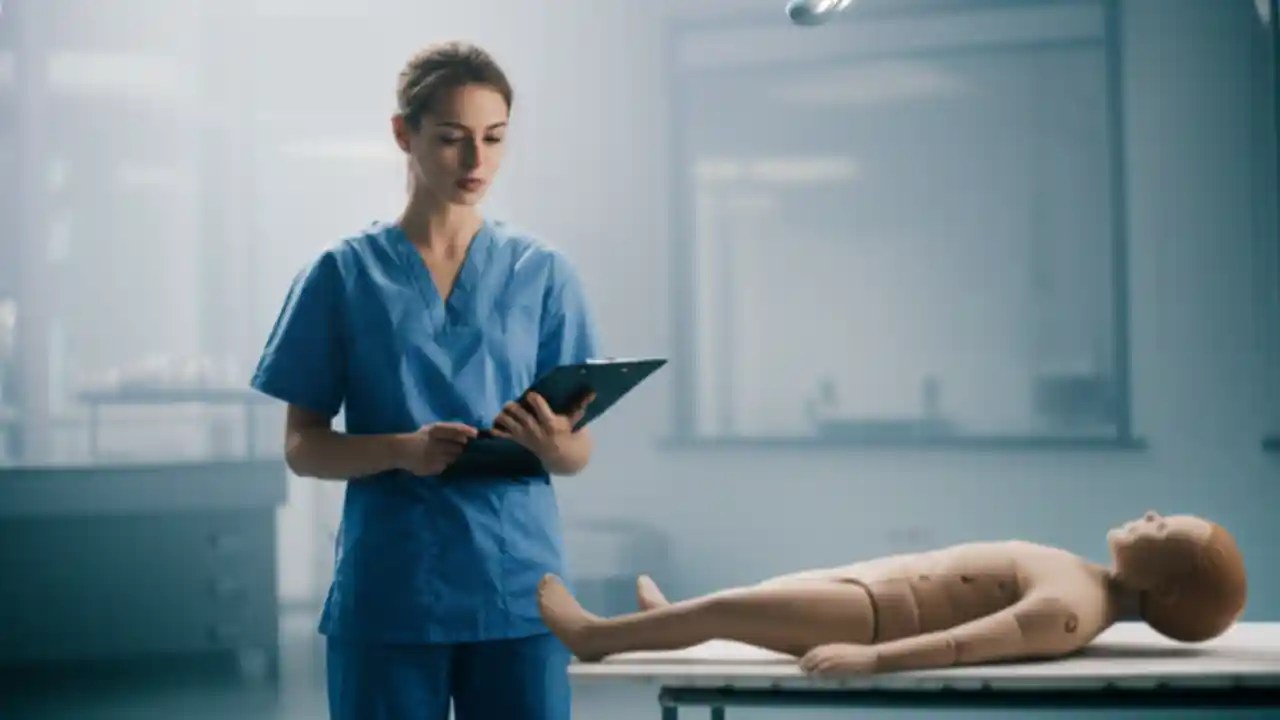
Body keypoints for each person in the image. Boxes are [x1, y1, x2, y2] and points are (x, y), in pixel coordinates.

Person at [250, 41, 600, 720]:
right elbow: (303, 447)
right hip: (393, 590)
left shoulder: (542, 273)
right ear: (402, 134)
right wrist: (402, 450)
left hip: (518, 588)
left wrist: (556, 447)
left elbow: (578, 450)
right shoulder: (342, 276)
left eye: (494, 139)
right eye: (451, 139)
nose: (477, 163)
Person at [537, 511, 1247, 675]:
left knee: (732, 607)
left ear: (1164, 586)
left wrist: (877, 660)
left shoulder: (1070, 610)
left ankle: (595, 638)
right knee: (756, 601)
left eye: (1165, 529)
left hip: (879, 618)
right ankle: (674, 624)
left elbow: (971, 645)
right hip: (877, 589)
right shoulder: (1084, 582)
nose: (1150, 516)